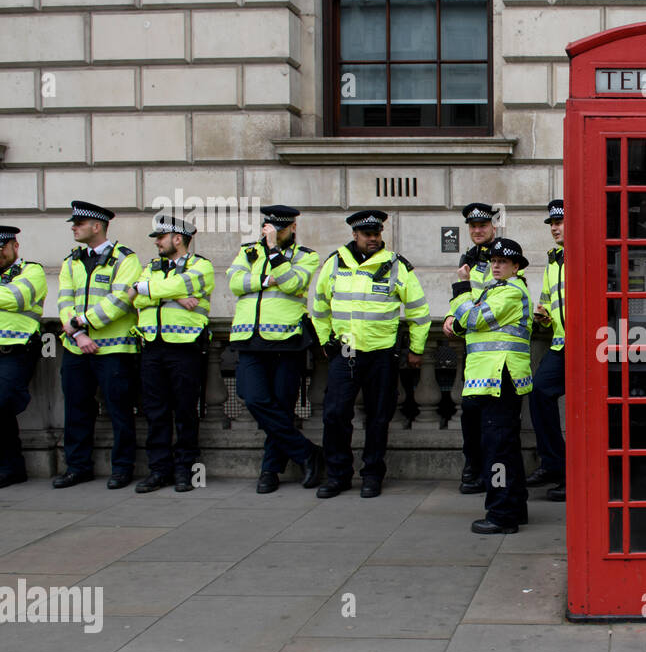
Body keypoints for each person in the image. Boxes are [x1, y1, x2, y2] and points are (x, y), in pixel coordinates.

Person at [310, 210, 430, 498]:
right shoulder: (335, 263)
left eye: (377, 234)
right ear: (355, 235)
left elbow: (419, 312)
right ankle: (338, 475)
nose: (373, 239)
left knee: (379, 417)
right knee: (335, 415)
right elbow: (318, 307)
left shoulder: (396, 265)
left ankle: (372, 474)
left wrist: (416, 348)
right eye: (367, 235)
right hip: (346, 351)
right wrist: (327, 341)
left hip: (382, 353)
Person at [228, 204, 323, 494]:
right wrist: (266, 279)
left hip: (287, 340)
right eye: (271, 229)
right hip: (250, 339)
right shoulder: (247, 252)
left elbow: (294, 283)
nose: (275, 234)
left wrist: (273, 254)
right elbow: (234, 283)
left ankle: (269, 470)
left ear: (293, 228)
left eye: (281, 230)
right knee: (253, 398)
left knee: (281, 408)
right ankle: (307, 452)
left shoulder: (305, 256)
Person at [54, 201, 142, 489]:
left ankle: (122, 468)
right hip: (76, 348)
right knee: (76, 410)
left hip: (115, 350)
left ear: (97, 226)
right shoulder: (71, 261)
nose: (73, 228)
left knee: (120, 411)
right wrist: (78, 334)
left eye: (78, 224)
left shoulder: (125, 259)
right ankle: (77, 467)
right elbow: (63, 301)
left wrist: (82, 322)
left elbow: (119, 301)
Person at [449, 238, 533, 534]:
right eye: (493, 261)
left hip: (501, 379)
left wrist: (460, 289)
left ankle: (501, 515)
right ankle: (515, 507)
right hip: (492, 378)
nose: (497, 265)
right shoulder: (495, 290)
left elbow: (473, 317)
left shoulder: (510, 291)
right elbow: (468, 323)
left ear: (516, 267)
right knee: (505, 448)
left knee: (497, 450)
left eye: (503, 262)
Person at [129, 215, 214, 493]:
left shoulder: (201, 265)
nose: (156, 242)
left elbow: (147, 290)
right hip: (152, 346)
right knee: (155, 412)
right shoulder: (152, 266)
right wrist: (176, 294)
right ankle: (159, 470)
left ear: (178, 239)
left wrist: (153, 290)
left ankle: (185, 470)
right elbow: (135, 296)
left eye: (161, 237)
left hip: (185, 347)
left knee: (186, 411)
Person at [443, 202, 499, 494]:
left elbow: (487, 305)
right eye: (473, 227)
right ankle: (473, 467)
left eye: (483, 226)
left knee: (496, 423)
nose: (478, 230)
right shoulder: (469, 258)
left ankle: (494, 475)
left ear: (493, 226)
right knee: (470, 414)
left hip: (498, 355)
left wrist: (463, 313)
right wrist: (454, 315)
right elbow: (462, 298)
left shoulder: (503, 256)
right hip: (475, 351)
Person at [527, 199, 567, 501]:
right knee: (540, 391)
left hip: (591, 344)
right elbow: (547, 301)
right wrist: (542, 315)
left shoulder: (589, 253)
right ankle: (554, 463)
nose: (554, 227)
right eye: (552, 223)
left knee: (584, 411)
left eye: (560, 222)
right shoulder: (553, 260)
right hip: (560, 342)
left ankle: (577, 474)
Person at [0, 225, 47, 488]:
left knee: (3, 403)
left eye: (1, 250)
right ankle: (12, 468)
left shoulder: (32, 270)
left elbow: (16, 298)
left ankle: (11, 466)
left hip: (16, 351)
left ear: (14, 247)